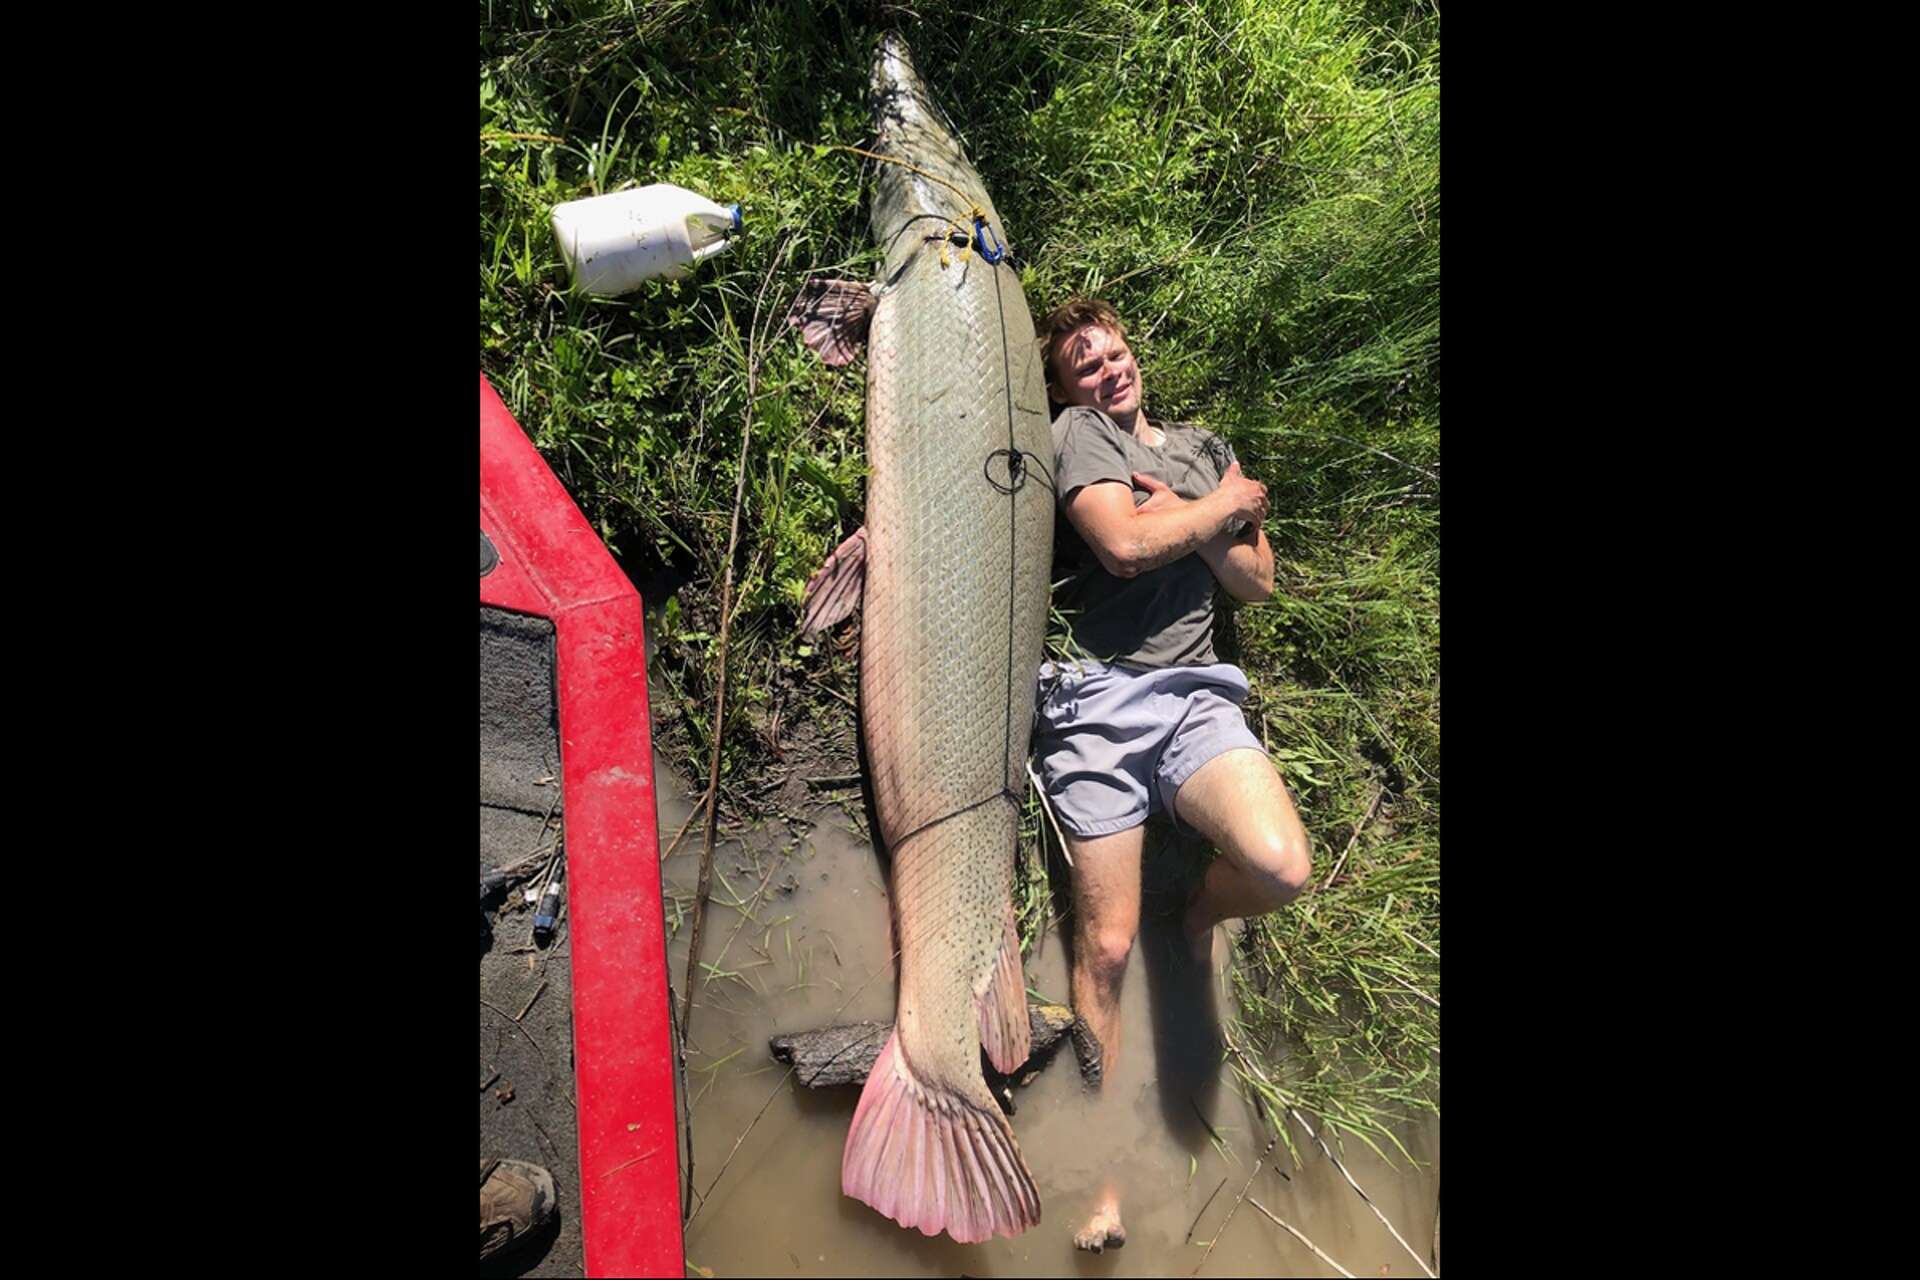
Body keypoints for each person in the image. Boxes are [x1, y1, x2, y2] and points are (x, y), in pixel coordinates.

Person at [1033, 298, 1313, 1252]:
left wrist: (1198, 514)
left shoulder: (1201, 447)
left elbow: (1258, 583)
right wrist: (1222, 512)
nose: (1108, 371)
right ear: (1066, 389)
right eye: (1085, 365)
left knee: (1281, 868)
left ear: (1132, 353)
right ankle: (1101, 1175)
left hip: (1198, 695)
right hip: (1099, 701)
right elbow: (1119, 545)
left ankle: (1194, 913)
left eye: (1113, 354)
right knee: (1105, 950)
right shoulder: (1078, 436)